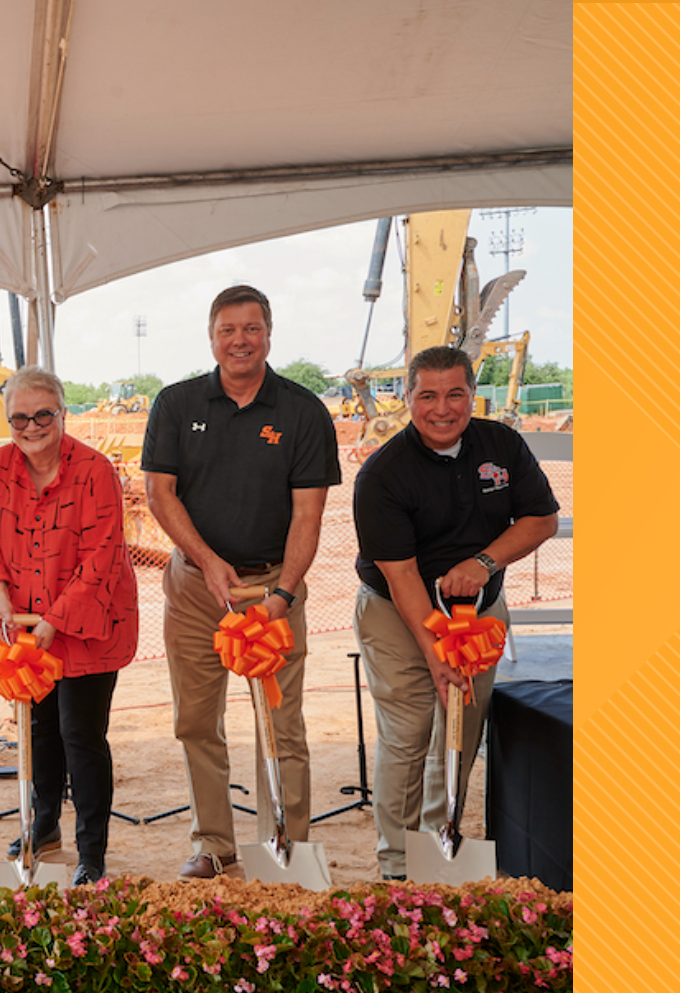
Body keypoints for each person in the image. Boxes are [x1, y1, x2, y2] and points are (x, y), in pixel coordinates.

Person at [142, 285, 341, 880]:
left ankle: (285, 844)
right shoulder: (175, 404)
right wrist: (204, 561)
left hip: (272, 590)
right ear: (212, 337)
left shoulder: (302, 411)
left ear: (269, 335)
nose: (240, 341)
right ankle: (214, 845)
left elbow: (309, 514)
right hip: (196, 589)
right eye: (228, 330)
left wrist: (283, 595)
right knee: (196, 721)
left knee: (282, 724)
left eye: (251, 329)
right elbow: (159, 493)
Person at [352, 346, 559, 879]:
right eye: (427, 395)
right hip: (397, 610)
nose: (441, 408)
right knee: (408, 731)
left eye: (454, 394)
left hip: (478, 611)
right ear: (408, 400)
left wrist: (484, 562)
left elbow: (541, 520)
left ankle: (440, 843)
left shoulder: (502, 446)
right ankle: (397, 863)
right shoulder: (382, 473)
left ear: (472, 395)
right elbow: (399, 576)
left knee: (461, 728)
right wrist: (435, 650)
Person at [0, 367, 138, 885]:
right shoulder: (0, 465)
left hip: (88, 620)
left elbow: (102, 554)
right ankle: (44, 826)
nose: (32, 426)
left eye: (43, 414)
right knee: (38, 730)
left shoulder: (95, 469)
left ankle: (92, 850)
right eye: (20, 417)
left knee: (79, 733)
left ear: (62, 414)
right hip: (24, 623)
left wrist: (54, 621)